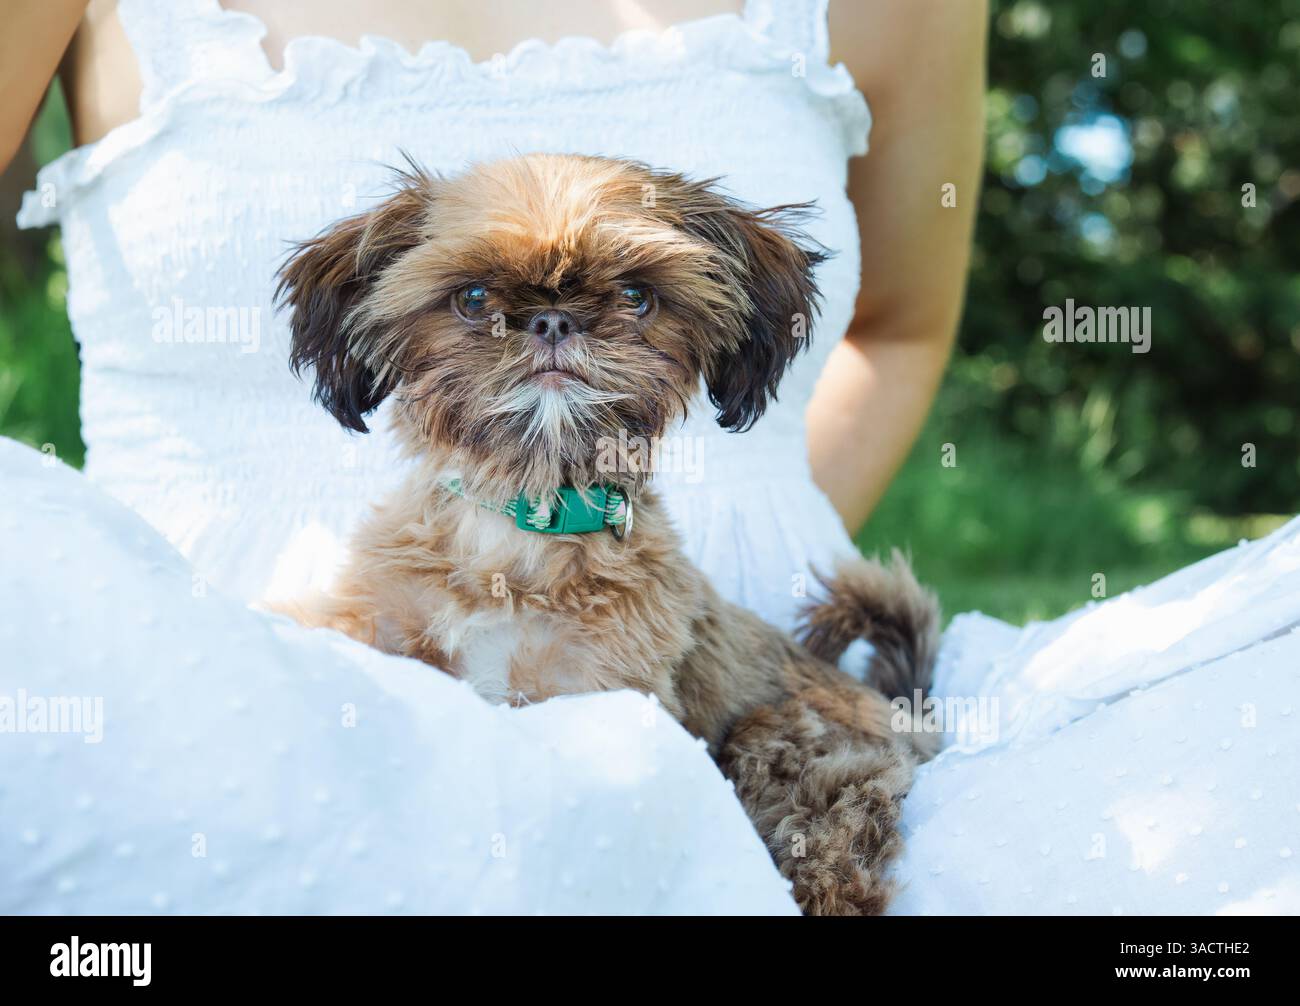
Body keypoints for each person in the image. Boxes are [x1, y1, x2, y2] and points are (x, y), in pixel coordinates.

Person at [5, 1, 1296, 915]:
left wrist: (692, 573)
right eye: (483, 305)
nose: (552, 337)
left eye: (624, 303)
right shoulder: (362, 574)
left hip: (732, 699)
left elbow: (902, 327)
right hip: (208, 701)